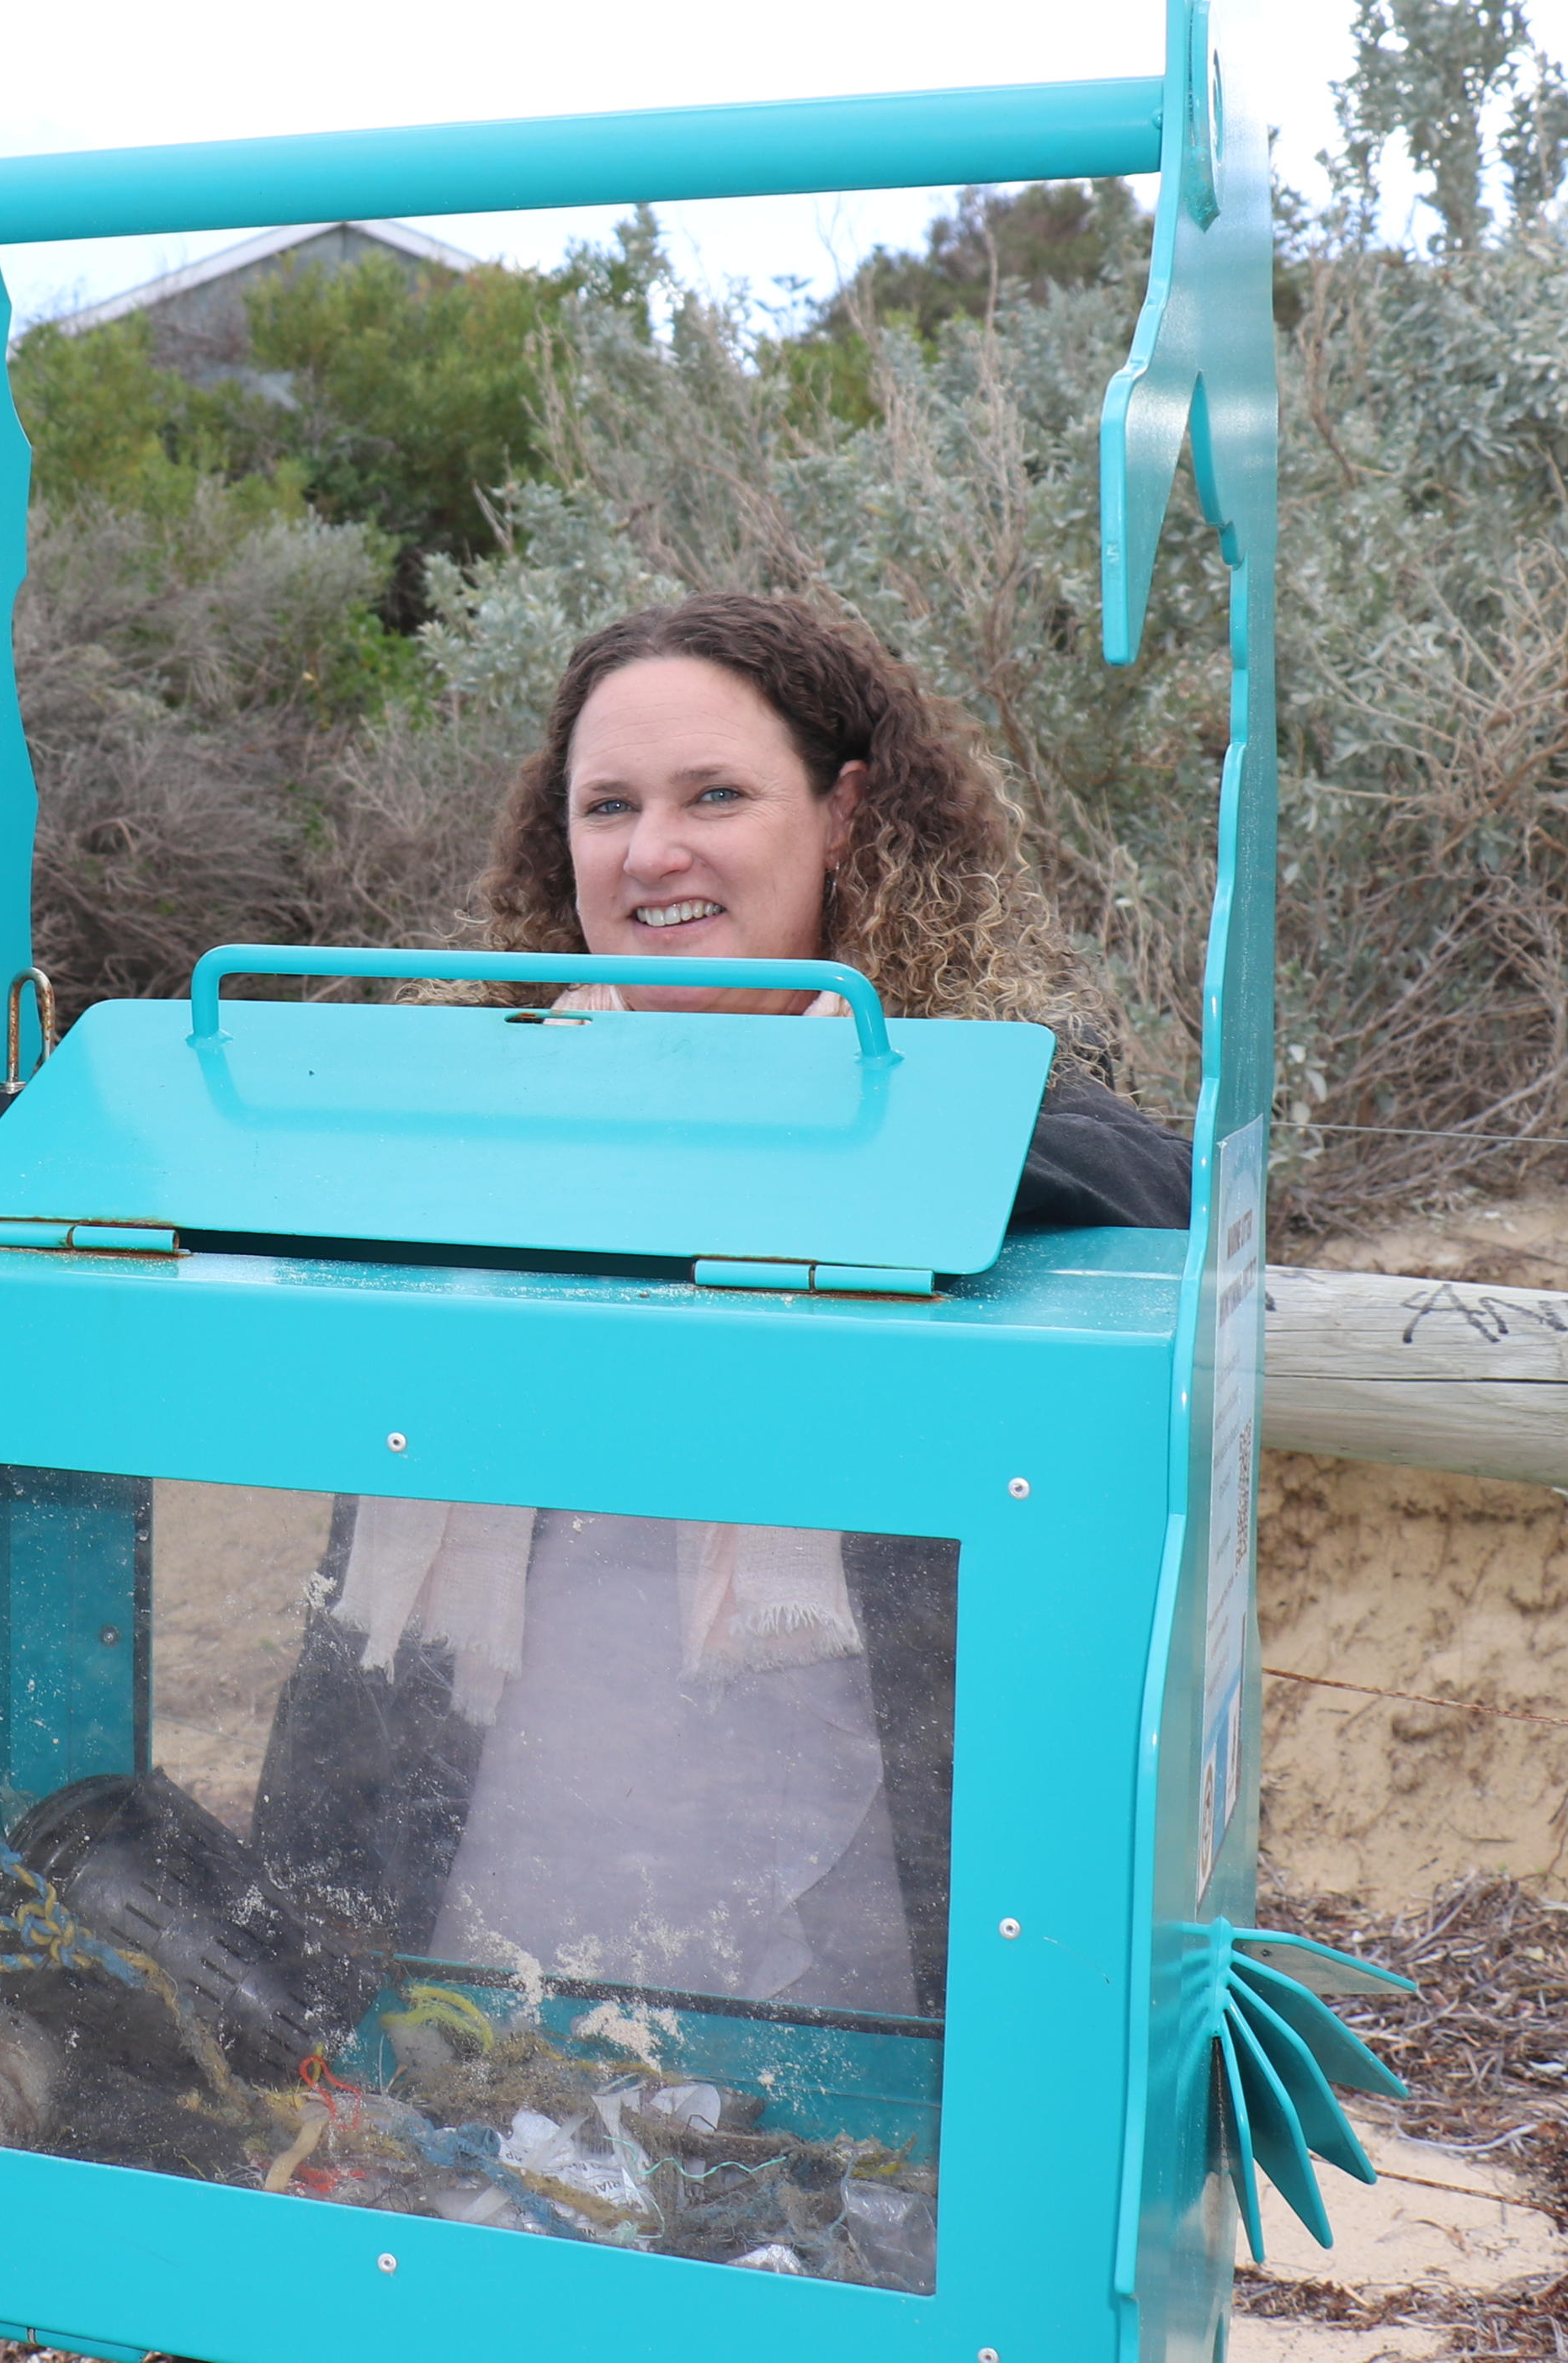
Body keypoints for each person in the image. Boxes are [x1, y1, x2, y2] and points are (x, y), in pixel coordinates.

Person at [248, 588, 1194, 2020]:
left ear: (845, 813)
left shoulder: (965, 1099)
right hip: (473, 1884)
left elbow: (1164, 1191)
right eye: (608, 804)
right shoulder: (471, 1111)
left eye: (716, 795)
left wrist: (804, 1151)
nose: (652, 851)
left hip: (853, 1910)